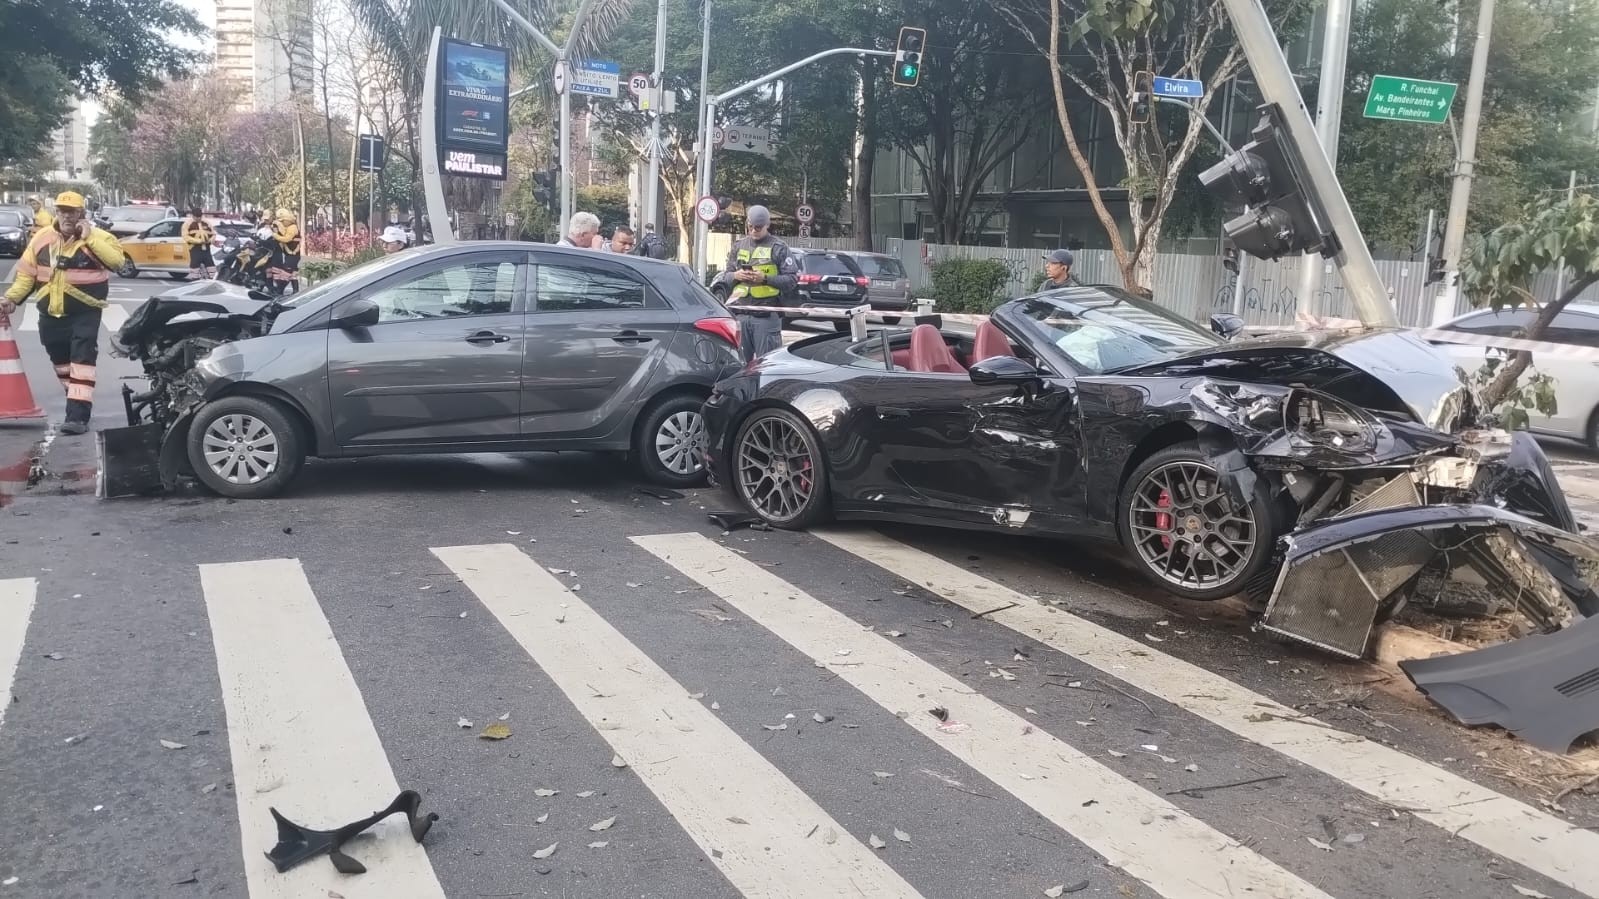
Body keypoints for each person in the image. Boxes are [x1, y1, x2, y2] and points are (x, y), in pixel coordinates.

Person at [0, 191, 126, 435]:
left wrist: (90, 239)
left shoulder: (101, 238)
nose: (66, 216)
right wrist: (11, 299)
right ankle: (77, 397)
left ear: (82, 213)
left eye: (72, 211)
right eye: (62, 210)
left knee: (82, 360)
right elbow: (27, 275)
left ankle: (77, 416)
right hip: (50, 313)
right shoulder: (41, 239)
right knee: (60, 361)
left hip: (85, 312)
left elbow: (117, 262)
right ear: (56, 212)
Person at [724, 204, 798, 360]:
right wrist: (736, 276)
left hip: (766, 317)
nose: (753, 230)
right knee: (739, 365)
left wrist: (765, 279)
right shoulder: (738, 246)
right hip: (741, 314)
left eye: (758, 227)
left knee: (767, 365)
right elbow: (726, 277)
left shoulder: (779, 248)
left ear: (767, 225)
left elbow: (791, 280)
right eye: (750, 226)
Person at [264, 208, 302, 295]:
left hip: (293, 255)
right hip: (291, 255)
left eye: (282, 221)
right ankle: (295, 291)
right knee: (293, 273)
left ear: (287, 220)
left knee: (285, 274)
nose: (282, 222)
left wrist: (274, 234)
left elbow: (286, 239)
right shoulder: (288, 227)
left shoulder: (292, 228)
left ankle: (279, 291)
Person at [183, 207, 216, 280]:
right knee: (195, 266)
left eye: (200, 216)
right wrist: (198, 241)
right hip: (194, 248)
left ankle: (212, 279)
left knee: (210, 265)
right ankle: (194, 280)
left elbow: (213, 234)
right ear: (193, 216)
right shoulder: (187, 224)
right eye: (197, 217)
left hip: (206, 248)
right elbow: (185, 236)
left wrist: (210, 240)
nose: (199, 218)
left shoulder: (207, 223)